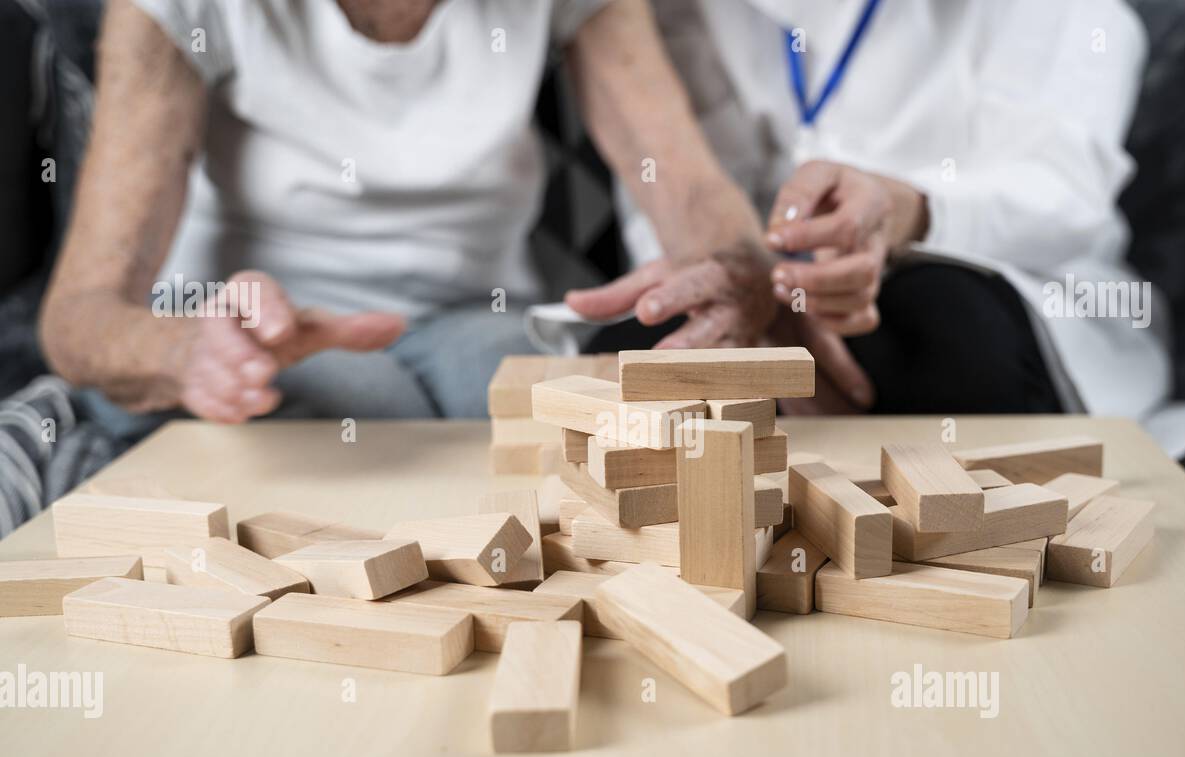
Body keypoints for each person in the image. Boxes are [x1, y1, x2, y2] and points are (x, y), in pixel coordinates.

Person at [38, 0, 775, 433]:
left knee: (513, 379)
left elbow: (686, 187)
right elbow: (78, 318)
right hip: (276, 329)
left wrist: (736, 274)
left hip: (475, 312)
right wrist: (192, 354)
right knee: (371, 405)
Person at [569, 0, 1170, 418]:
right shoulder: (677, 18)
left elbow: (1063, 193)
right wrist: (734, 278)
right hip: (767, 281)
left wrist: (905, 211)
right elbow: (667, 180)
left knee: (936, 331)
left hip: (984, 277)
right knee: (637, 349)